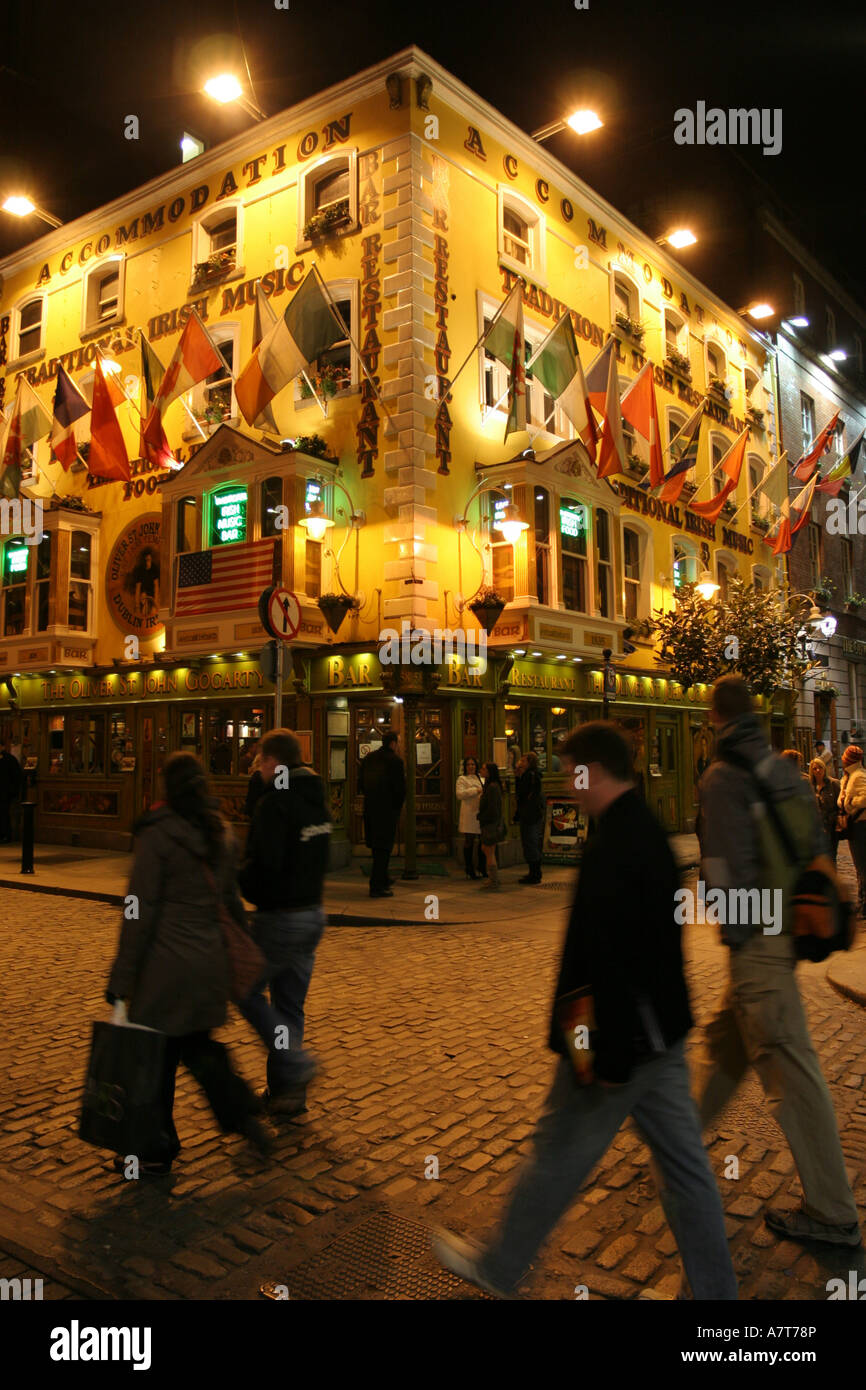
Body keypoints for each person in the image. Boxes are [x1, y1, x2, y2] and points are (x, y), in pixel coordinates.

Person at [433, 721, 738, 1300]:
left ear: (593, 769)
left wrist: (590, 1051)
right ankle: (718, 1300)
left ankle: (501, 1266)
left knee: (557, 1155)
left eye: (573, 769)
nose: (568, 782)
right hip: (658, 1037)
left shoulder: (619, 843)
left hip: (611, 1042)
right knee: (686, 1172)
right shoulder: (640, 831)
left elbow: (613, 961)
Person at [694, 676, 860, 1247]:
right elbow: (818, 838)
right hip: (783, 934)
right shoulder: (781, 767)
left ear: (715, 716)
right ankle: (682, 1147)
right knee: (727, 1045)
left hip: (758, 942)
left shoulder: (722, 777)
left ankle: (833, 1210)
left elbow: (726, 871)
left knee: (790, 1070)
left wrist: (738, 938)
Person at [106, 752, 266, 1175]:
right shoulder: (221, 833)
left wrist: (122, 976)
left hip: (163, 969)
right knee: (198, 1050)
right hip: (207, 964)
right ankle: (242, 1110)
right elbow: (231, 903)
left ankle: (155, 1148)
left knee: (155, 1062)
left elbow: (138, 911)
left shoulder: (158, 836)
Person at [238, 728, 330, 1117]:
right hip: (312, 914)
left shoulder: (275, 804)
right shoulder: (317, 800)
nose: (257, 768)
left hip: (280, 918)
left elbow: (265, 866)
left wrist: (239, 880)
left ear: (273, 762)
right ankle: (287, 1096)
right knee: (290, 1007)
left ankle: (293, 1063)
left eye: (260, 760)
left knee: (243, 987)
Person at [359, 730, 405, 898]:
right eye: (398, 742)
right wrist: (397, 808)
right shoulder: (395, 761)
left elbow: (361, 783)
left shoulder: (369, 758)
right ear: (393, 743)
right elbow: (400, 789)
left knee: (377, 848)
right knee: (383, 848)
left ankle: (383, 878)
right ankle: (377, 886)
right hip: (387, 811)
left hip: (370, 808)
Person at [838, 744, 866, 917]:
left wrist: (849, 803)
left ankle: (864, 905)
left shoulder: (859, 776)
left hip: (861, 825)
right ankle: (861, 900)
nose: (842, 758)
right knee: (858, 867)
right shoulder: (848, 776)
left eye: (845, 756)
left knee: (863, 866)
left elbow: (864, 798)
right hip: (854, 826)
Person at [514, 751, 546, 885]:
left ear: (529, 763)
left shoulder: (529, 776)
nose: (520, 762)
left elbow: (521, 793)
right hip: (532, 813)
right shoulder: (533, 775)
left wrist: (518, 777)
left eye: (523, 760)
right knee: (530, 842)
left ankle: (535, 873)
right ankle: (534, 872)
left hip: (530, 814)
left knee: (530, 842)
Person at [456, 756, 484, 880]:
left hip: (480, 813)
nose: (471, 767)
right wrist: (475, 790)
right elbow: (460, 794)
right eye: (469, 765)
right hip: (468, 814)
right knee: (469, 841)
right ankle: (469, 868)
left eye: (473, 764)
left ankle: (482, 867)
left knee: (483, 842)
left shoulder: (481, 778)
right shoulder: (462, 779)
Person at [477, 762, 504, 891]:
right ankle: (493, 878)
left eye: (483, 769)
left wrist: (482, 817)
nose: (481, 770)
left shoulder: (492, 787)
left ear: (489, 772)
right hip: (489, 823)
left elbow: (493, 808)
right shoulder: (491, 786)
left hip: (490, 824)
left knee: (489, 851)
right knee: (486, 849)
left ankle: (493, 880)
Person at [809, 756, 841, 864]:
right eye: (815, 768)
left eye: (820, 768)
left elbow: (840, 805)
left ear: (824, 769)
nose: (818, 770)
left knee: (831, 857)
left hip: (831, 827)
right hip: (816, 829)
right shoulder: (810, 787)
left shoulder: (833, 784)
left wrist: (835, 820)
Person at [0, 744, 22, 843]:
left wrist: (12, 791)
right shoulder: (10, 759)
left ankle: (5, 834)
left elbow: (15, 776)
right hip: (6, 791)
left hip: (5, 791)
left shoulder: (8, 759)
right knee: (4, 813)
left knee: (4, 813)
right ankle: (5, 835)